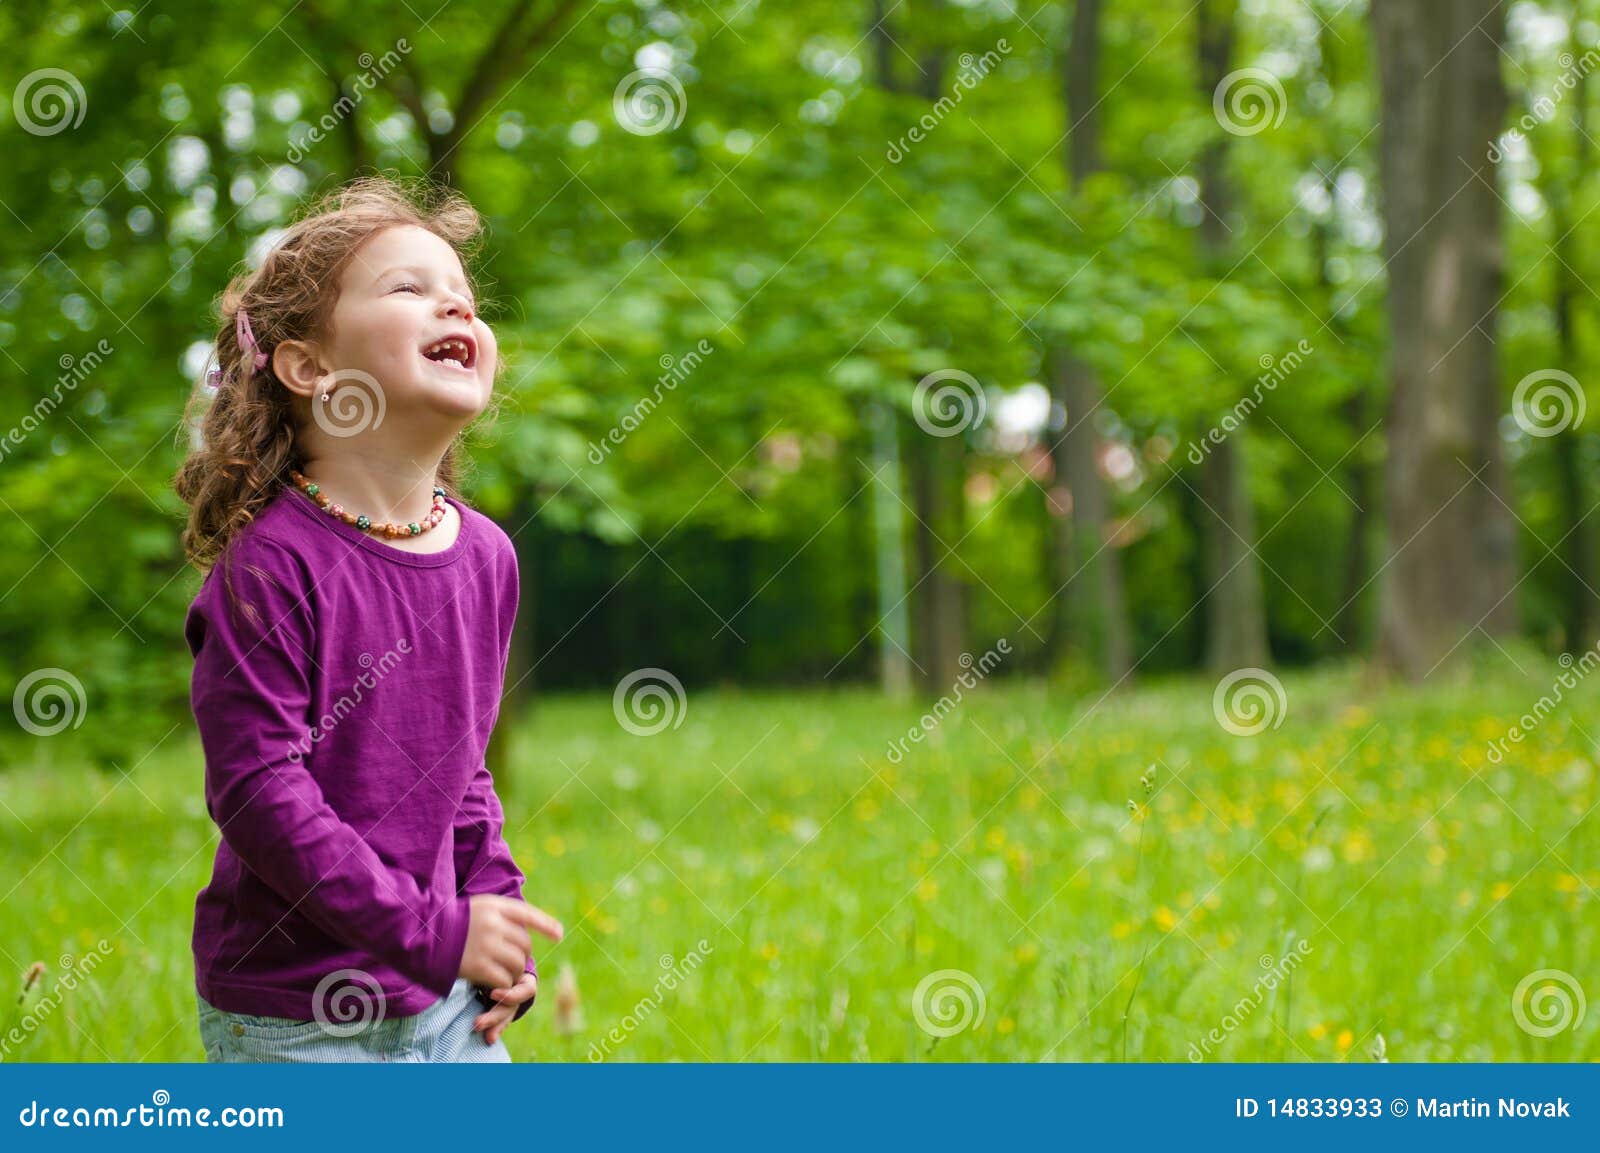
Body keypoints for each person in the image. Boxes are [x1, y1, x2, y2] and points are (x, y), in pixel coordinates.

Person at [173, 176, 562, 1062]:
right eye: (409, 289)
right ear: (311, 367)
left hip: (450, 1000)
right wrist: (430, 930)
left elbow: (465, 776)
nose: (453, 305)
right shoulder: (271, 568)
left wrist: (491, 918)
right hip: (297, 1014)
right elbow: (258, 791)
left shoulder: (485, 557)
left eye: (463, 296)